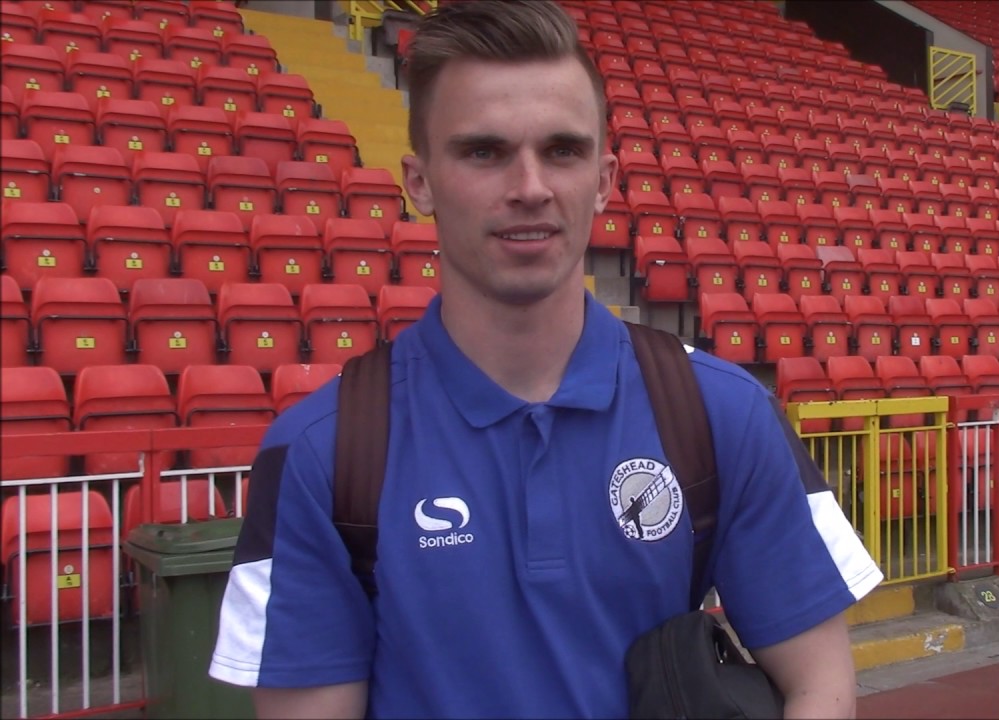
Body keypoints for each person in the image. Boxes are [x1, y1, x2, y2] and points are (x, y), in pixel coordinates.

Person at [208, 2, 883, 718]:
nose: (530, 187)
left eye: (562, 150)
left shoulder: (724, 412)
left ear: (603, 177)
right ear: (420, 181)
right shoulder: (322, 453)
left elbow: (819, 686)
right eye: (484, 151)